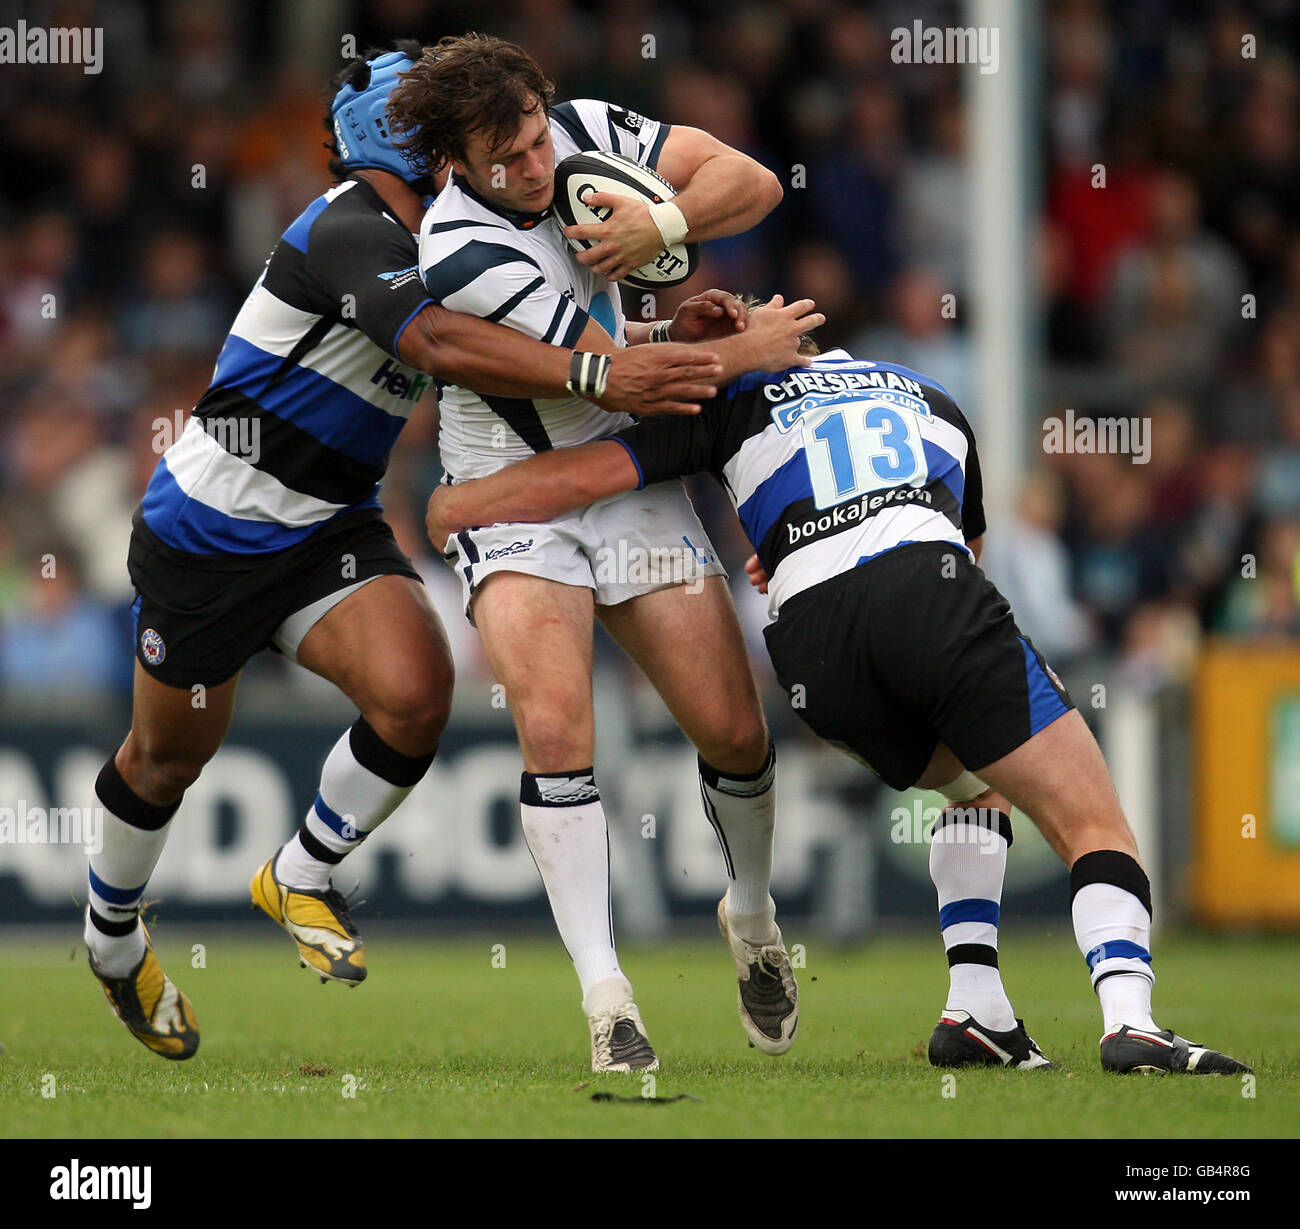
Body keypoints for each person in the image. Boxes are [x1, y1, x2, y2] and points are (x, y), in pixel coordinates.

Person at [84, 42, 725, 1062]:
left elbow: (540, 345)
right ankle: (112, 936)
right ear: (407, 147)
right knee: (168, 758)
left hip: (330, 523)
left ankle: (300, 871)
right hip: (212, 530)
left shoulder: (459, 231)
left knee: (416, 693)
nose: (471, 160)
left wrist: (649, 340)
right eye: (445, 142)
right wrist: (603, 374)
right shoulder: (348, 226)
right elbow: (437, 345)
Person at [426, 318, 1253, 1076]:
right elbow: (965, 548)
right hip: (928, 593)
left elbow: (592, 472)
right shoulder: (933, 398)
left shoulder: (733, 400)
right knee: (1094, 823)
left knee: (976, 784)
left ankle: (977, 1012)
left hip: (810, 646)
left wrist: (466, 501)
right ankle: (1132, 1022)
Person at [387, 34, 802, 1072]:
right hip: (514, 491)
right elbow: (616, 378)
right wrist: (745, 347)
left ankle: (751, 911)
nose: (535, 167)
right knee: (555, 726)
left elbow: (750, 182)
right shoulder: (458, 250)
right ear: (453, 163)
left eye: (537, 138)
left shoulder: (581, 129)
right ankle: (606, 997)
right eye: (507, 160)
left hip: (623, 475)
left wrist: (663, 228)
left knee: (734, 730)